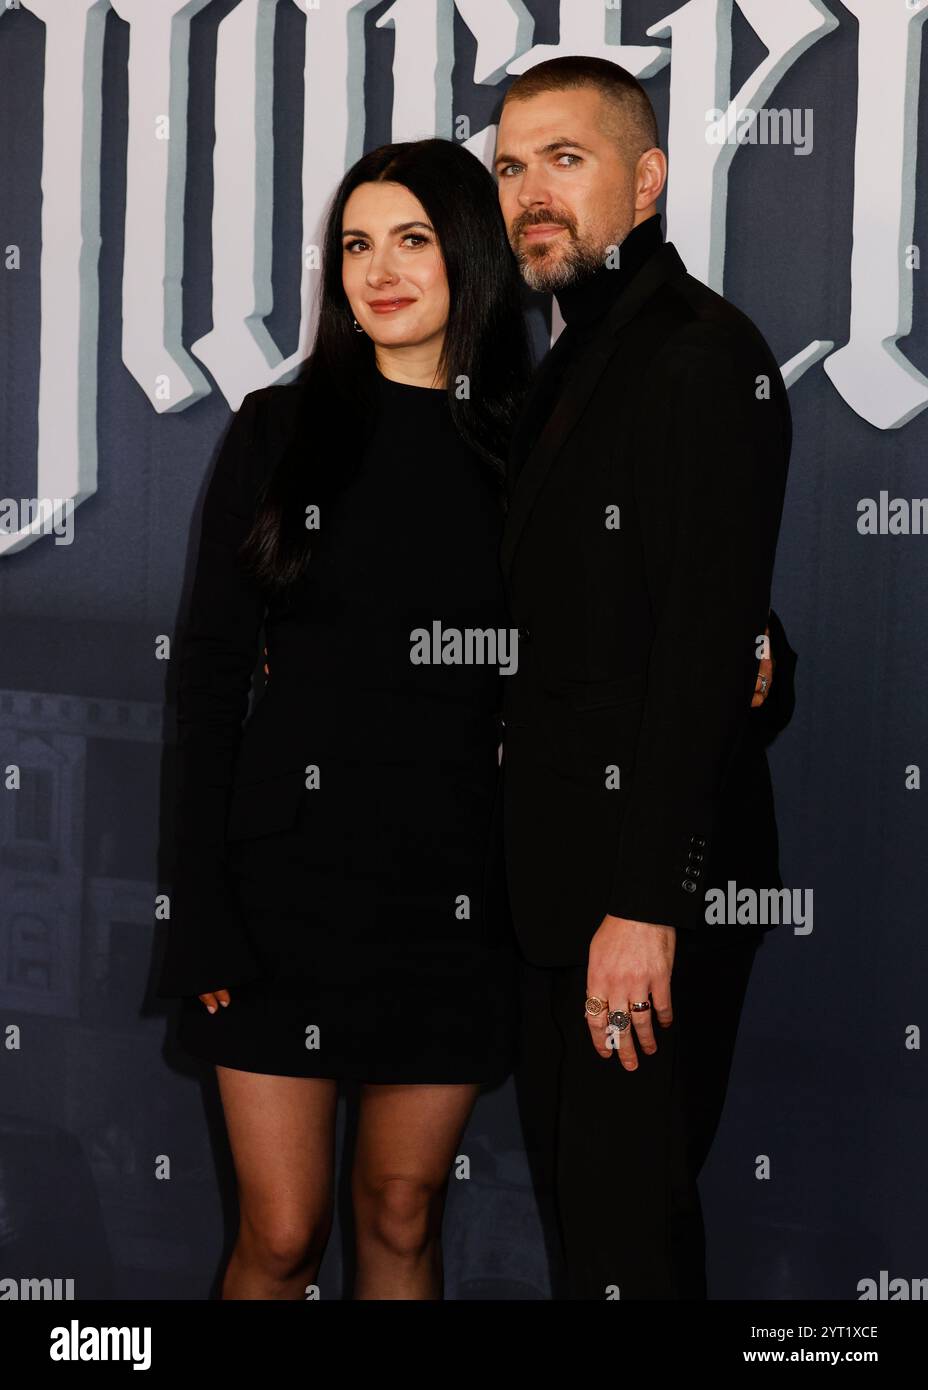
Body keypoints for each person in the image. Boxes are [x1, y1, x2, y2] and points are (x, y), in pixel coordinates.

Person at [156, 137, 533, 1300]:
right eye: (356, 245)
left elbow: (632, 620)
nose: (379, 270)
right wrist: (202, 913)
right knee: (280, 1234)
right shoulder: (280, 428)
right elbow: (209, 677)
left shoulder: (533, 449)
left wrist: (757, 646)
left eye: (411, 240)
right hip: (282, 890)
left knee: (403, 1214)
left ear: (468, 254)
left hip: (454, 890)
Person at [493, 56, 795, 1299]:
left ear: (649, 179)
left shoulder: (700, 353)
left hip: (638, 896)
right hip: (558, 884)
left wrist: (646, 904)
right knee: (589, 1236)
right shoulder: (560, 366)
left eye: (566, 161)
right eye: (512, 168)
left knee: (626, 1244)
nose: (531, 195)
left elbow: (704, 649)